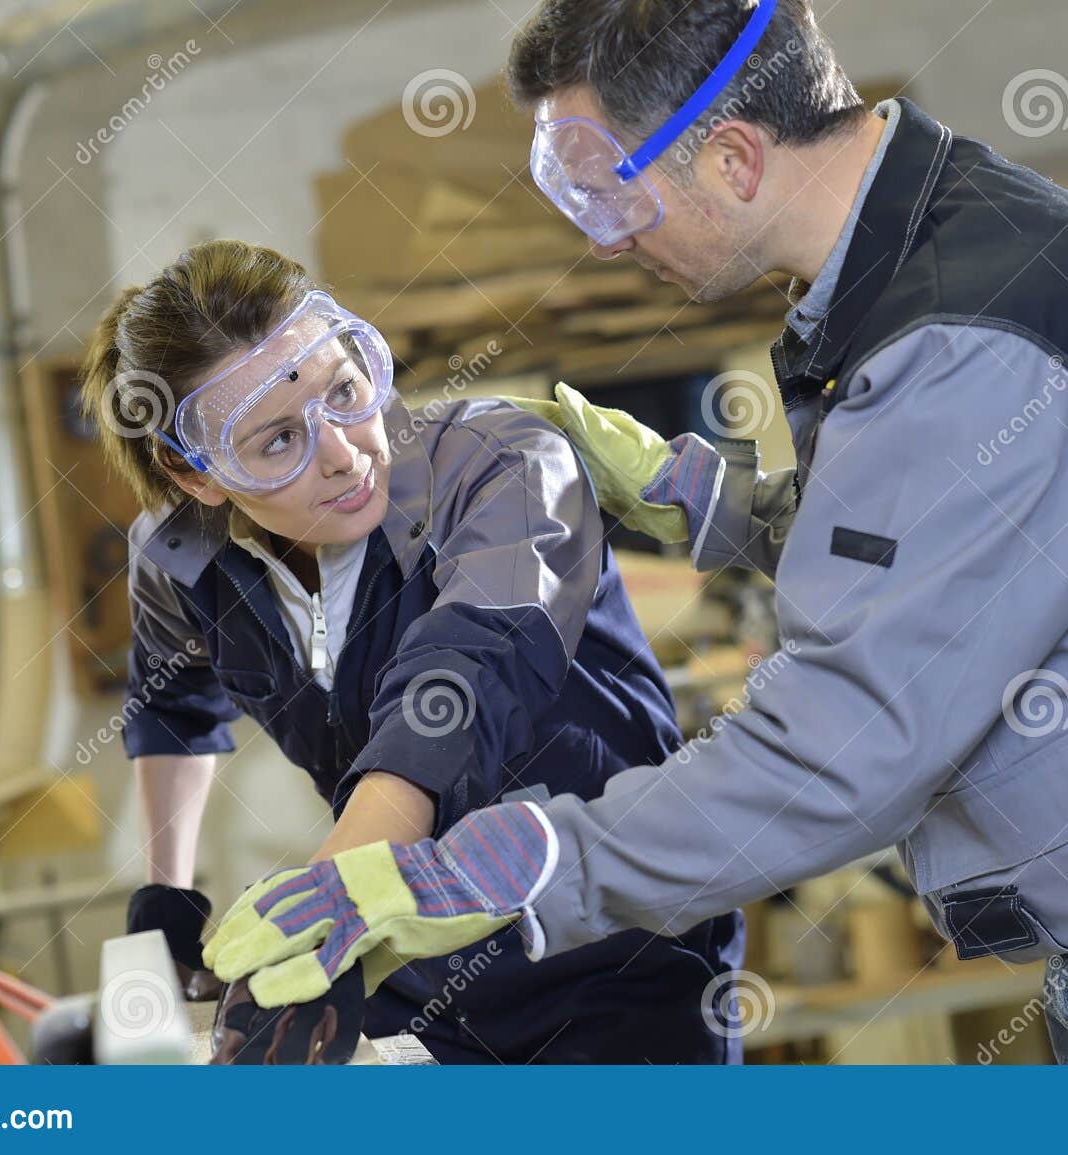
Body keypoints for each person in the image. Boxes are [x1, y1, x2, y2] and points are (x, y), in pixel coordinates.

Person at [204, 1, 1068, 1064]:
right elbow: (953, 551)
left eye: (613, 193)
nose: (605, 239)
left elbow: (843, 745)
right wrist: (704, 502)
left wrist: (515, 866)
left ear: (730, 156)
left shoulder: (960, 332)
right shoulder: (916, 256)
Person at [84, 238, 743, 1064]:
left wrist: (327, 900)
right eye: (278, 442)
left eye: (345, 391)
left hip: (619, 960)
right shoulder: (180, 557)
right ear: (196, 478)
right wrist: (168, 893)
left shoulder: (501, 466)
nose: (346, 452)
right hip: (416, 966)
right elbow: (174, 709)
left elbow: (457, 686)